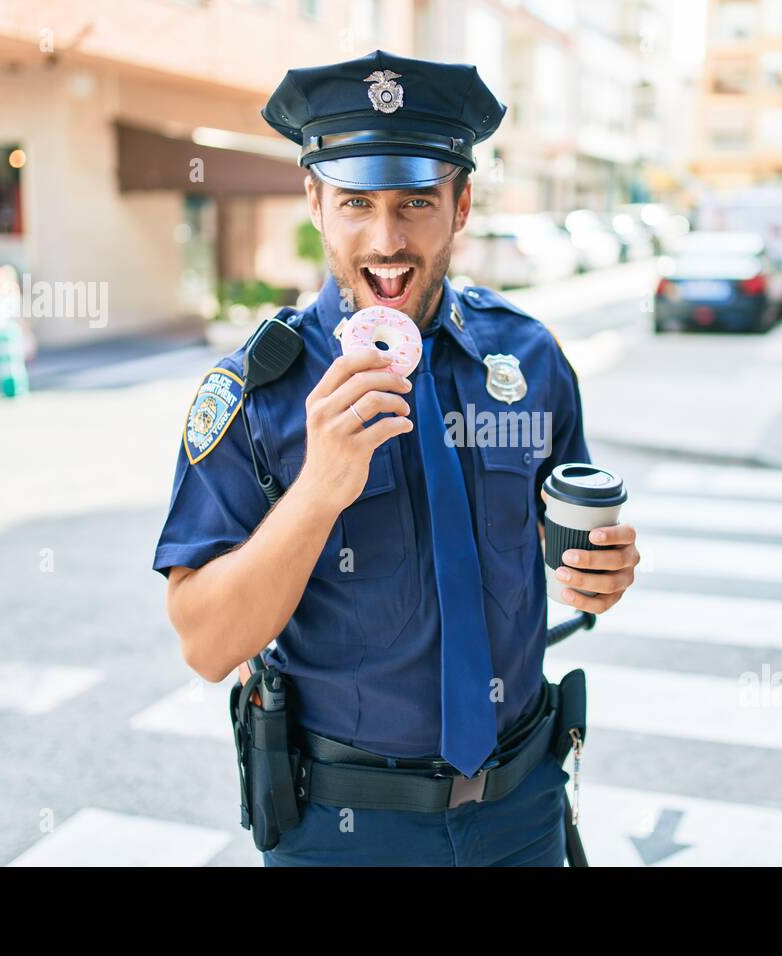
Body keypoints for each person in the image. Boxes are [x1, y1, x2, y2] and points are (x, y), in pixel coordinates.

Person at [152, 50, 641, 866]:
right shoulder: (254, 393)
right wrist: (318, 492)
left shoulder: (527, 358)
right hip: (344, 830)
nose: (387, 238)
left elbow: (568, 540)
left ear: (462, 205)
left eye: (417, 200)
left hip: (521, 809)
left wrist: (604, 573)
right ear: (314, 202)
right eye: (356, 202)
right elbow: (205, 645)